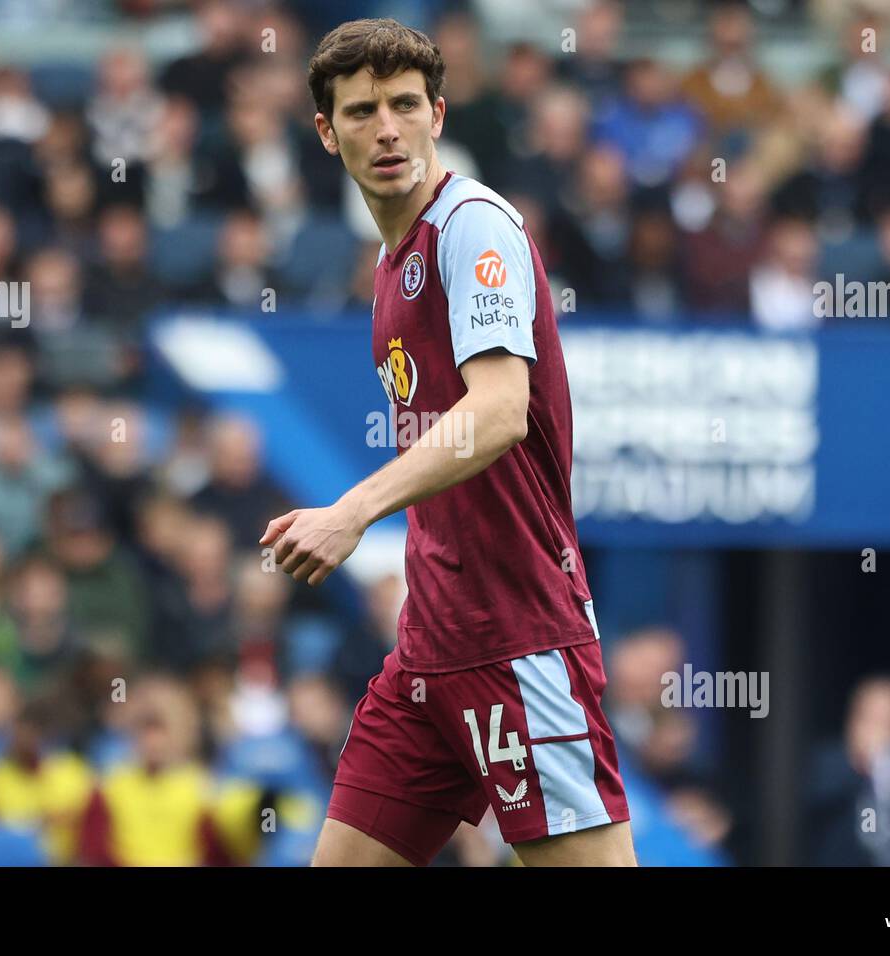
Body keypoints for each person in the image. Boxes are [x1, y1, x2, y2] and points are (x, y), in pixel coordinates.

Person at [260, 18, 633, 867]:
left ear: (437, 111)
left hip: (520, 637)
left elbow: (499, 413)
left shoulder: (474, 227)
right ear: (327, 132)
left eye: (403, 105)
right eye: (361, 111)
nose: (385, 128)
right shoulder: (392, 263)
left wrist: (353, 512)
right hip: (429, 651)